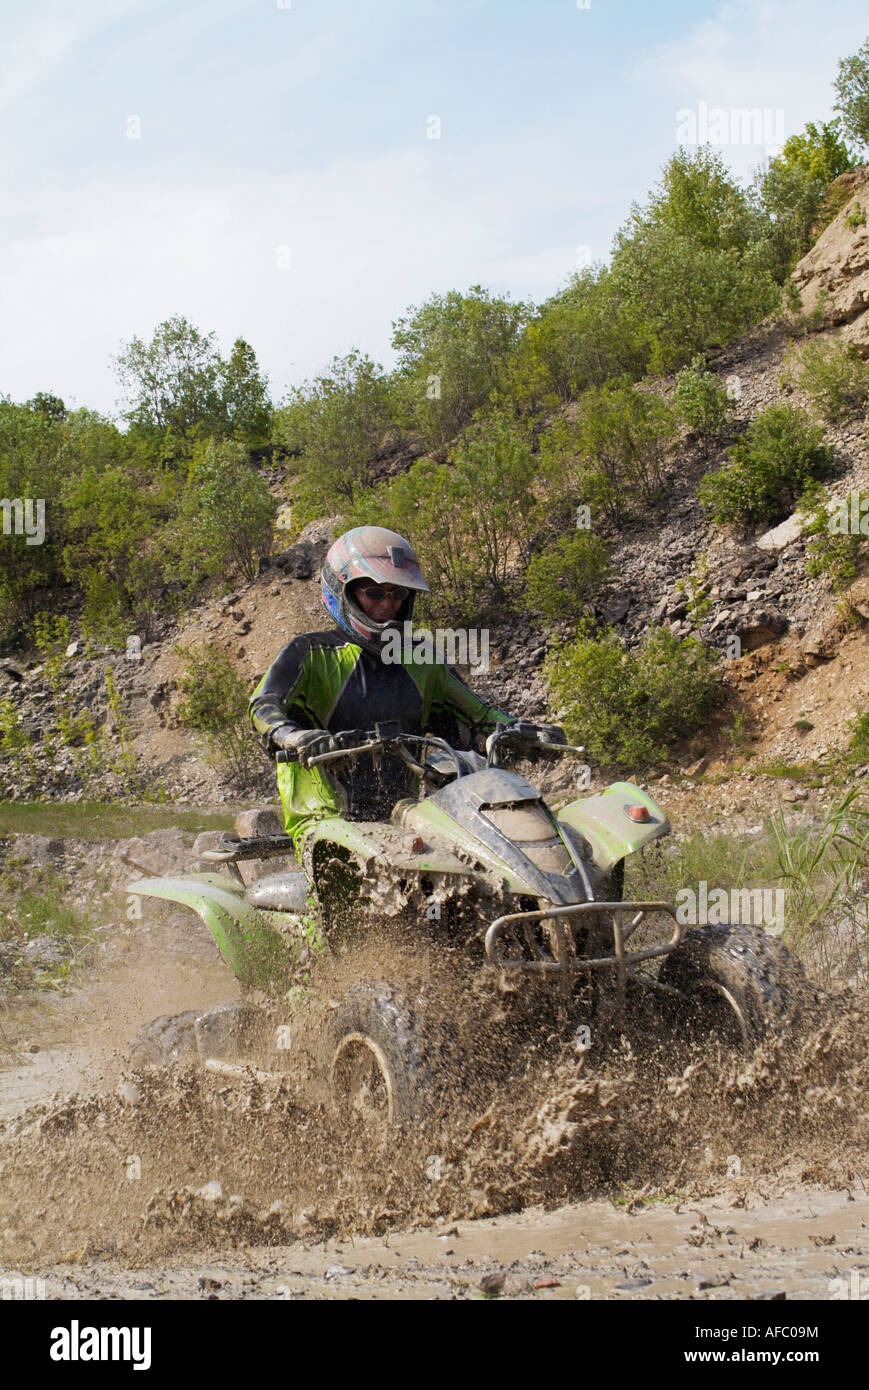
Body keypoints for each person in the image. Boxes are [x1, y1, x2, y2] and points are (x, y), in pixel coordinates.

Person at [249, 525, 559, 850]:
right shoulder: (311, 653)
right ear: (343, 590)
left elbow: (478, 715)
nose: (388, 603)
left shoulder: (421, 660)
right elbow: (263, 706)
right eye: (374, 592)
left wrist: (523, 731)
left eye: (397, 594)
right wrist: (293, 736)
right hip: (324, 821)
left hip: (403, 815)